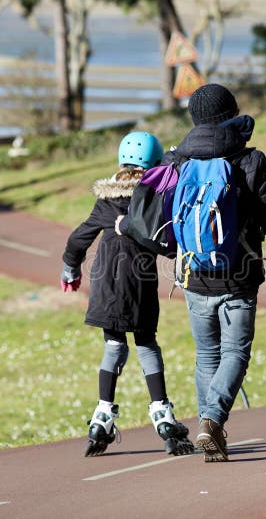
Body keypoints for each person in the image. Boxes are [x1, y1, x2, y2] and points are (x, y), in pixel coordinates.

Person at [162, 83, 266, 462]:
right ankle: (211, 421)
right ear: (231, 114)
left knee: (207, 355)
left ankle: (213, 435)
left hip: (193, 277)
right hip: (239, 278)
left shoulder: (176, 162)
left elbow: (163, 222)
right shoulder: (250, 160)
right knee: (236, 352)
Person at [60, 131, 194, 457]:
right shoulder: (153, 198)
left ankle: (102, 415)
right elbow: (165, 243)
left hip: (106, 286)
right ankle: (162, 414)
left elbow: (80, 237)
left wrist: (70, 269)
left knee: (114, 344)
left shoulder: (106, 199)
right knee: (146, 342)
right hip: (140, 285)